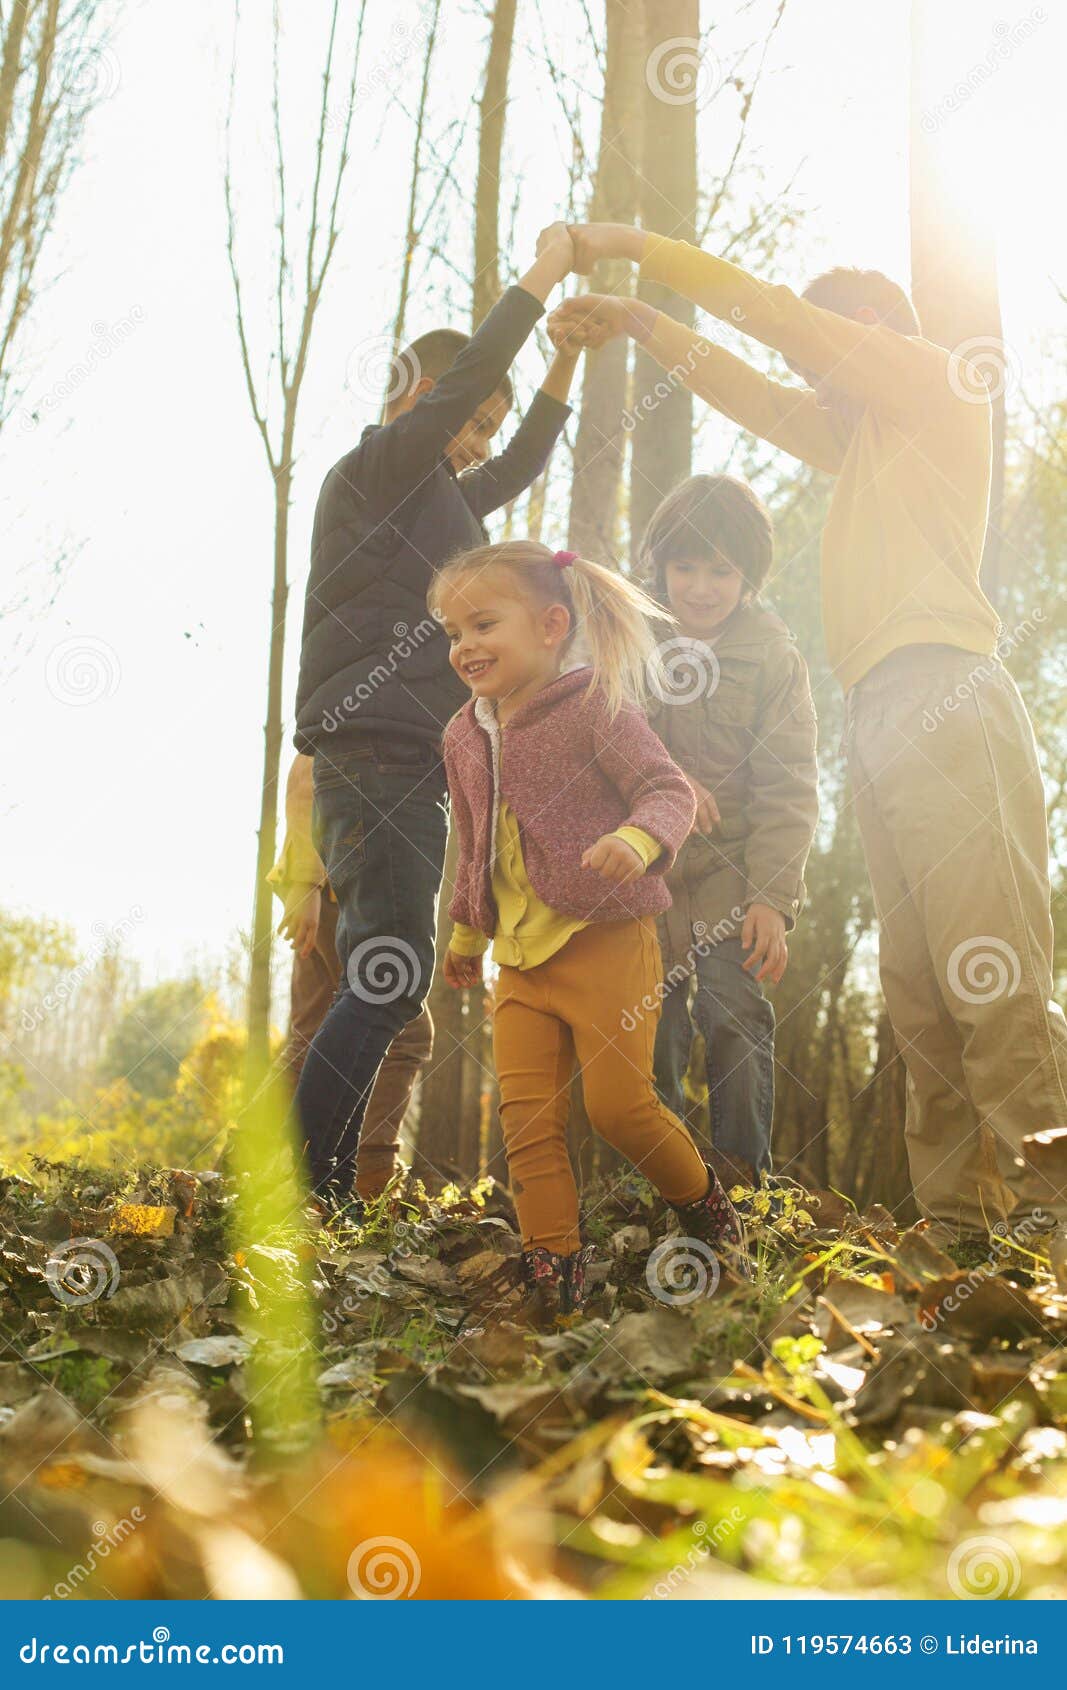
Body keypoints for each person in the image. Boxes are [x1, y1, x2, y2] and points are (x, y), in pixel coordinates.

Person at [548, 222, 1067, 1242]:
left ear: (869, 330)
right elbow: (751, 389)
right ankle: (962, 1235)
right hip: (877, 712)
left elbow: (779, 328)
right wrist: (643, 325)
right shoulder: (860, 437)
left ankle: (1052, 1212)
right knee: (918, 997)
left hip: (946, 695)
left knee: (991, 974)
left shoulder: (929, 387)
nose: (808, 373)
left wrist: (625, 246)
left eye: (827, 346)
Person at [291, 226, 583, 1217]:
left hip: (403, 758)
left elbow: (516, 469)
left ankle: (319, 1187)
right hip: (371, 750)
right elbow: (460, 394)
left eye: (489, 429)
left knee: (386, 969)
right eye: (470, 421)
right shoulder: (377, 470)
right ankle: (302, 1185)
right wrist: (541, 281)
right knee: (387, 970)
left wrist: (566, 364)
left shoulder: (439, 504)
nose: (480, 442)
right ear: (419, 402)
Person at [432, 538, 748, 1324]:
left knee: (618, 1109)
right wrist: (467, 935)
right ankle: (556, 1268)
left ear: (548, 625)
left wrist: (637, 842)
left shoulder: (593, 704)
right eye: (451, 633)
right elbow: (473, 845)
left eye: (482, 624)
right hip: (520, 960)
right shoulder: (460, 736)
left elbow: (666, 790)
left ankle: (707, 1208)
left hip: (605, 940)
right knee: (527, 1123)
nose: (465, 646)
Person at [637, 475, 819, 1179]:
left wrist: (772, 896)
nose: (701, 587)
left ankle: (741, 1191)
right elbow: (600, 735)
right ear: (660, 566)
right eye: (685, 567)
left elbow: (788, 785)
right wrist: (665, 780)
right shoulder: (632, 636)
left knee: (733, 1016)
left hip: (733, 871)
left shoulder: (773, 656)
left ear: (748, 575)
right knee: (650, 1028)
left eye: (721, 570)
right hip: (645, 871)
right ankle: (662, 1186)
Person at [268, 753, 432, 1203]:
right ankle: (372, 1170)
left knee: (310, 1030)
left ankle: (256, 1157)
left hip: (334, 884)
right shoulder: (360, 697)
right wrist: (309, 882)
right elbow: (306, 776)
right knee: (409, 1032)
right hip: (337, 889)